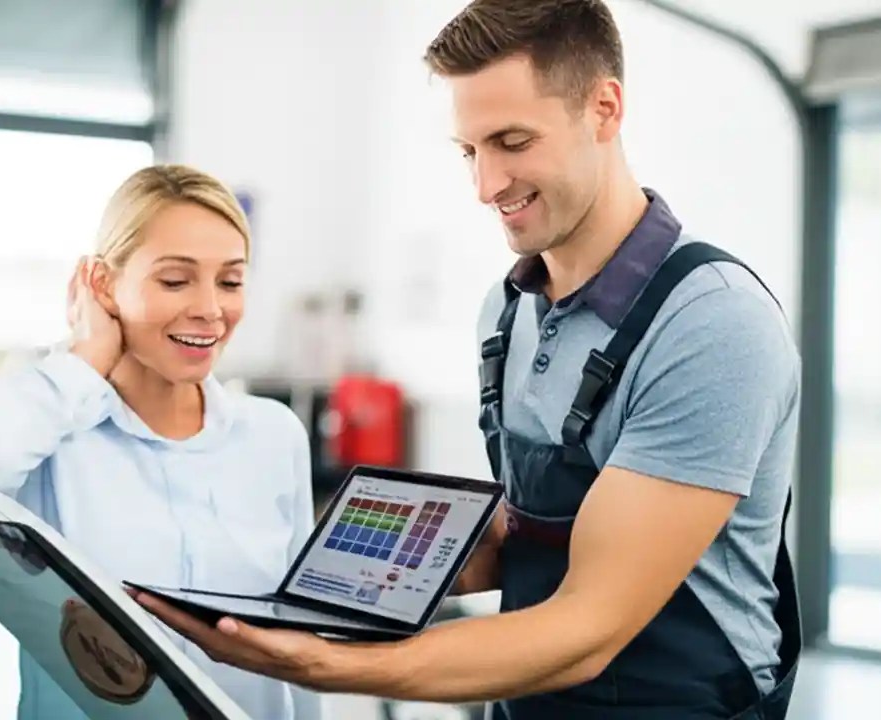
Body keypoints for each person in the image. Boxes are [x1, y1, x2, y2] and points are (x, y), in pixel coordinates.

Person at [131, 2, 803, 719]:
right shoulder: (507, 313)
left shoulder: (710, 323)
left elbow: (589, 631)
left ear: (604, 108)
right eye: (469, 150)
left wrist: (333, 664)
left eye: (513, 141)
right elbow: (536, 539)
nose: (486, 186)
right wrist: (342, 581)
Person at [0, 164, 324, 720]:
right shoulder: (49, 434)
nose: (210, 309)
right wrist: (85, 360)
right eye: (175, 280)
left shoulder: (272, 435)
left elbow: (299, 640)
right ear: (103, 284)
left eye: (230, 280)